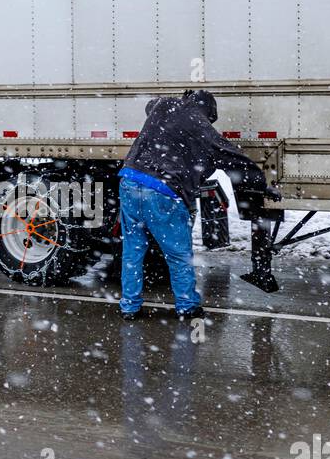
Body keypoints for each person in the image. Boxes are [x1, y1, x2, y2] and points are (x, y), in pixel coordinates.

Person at [118, 89, 278, 320]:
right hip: (163, 192)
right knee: (178, 254)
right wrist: (262, 185)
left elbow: (150, 105)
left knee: (133, 250)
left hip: (130, 181)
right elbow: (237, 160)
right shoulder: (203, 129)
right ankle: (186, 306)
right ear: (207, 112)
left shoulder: (163, 105)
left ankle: (129, 307)